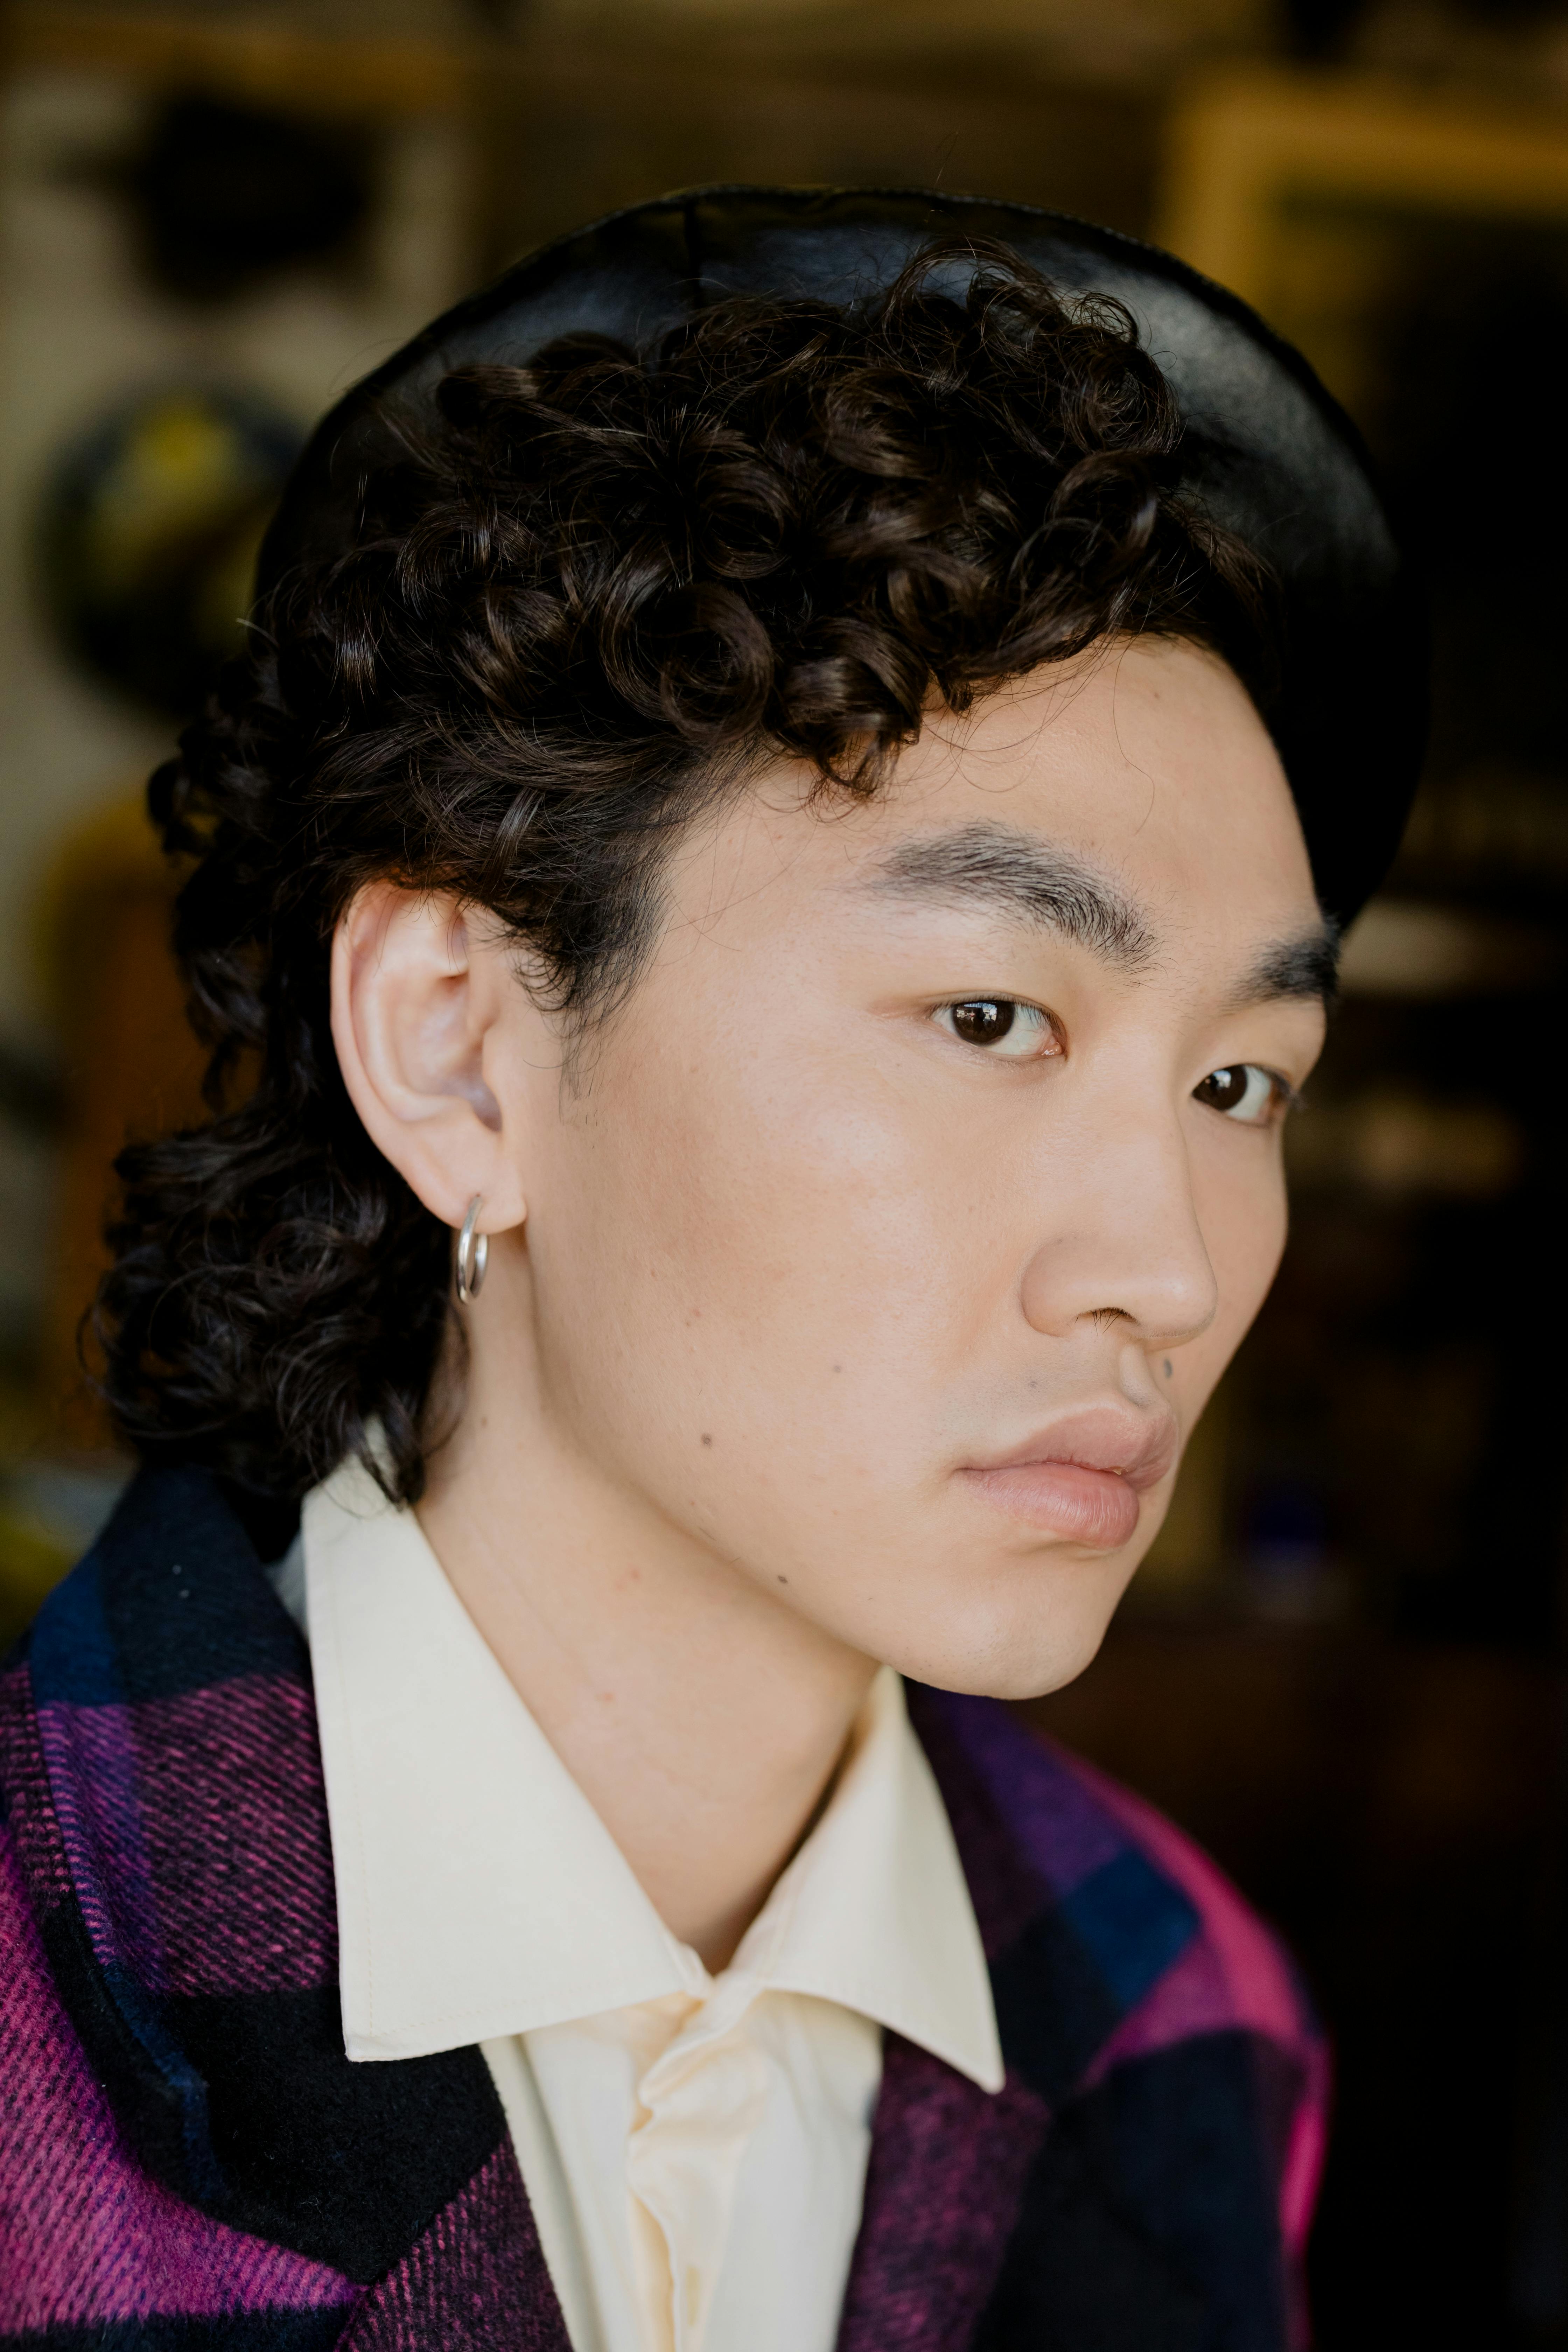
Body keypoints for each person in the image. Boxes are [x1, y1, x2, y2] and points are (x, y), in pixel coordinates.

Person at [0, 189, 1423, 2352]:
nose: (1171, 1268)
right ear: (461, 1047)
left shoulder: (1181, 2011)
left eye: (1242, 1081)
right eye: (990, 1019)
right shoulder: (47, 1958)